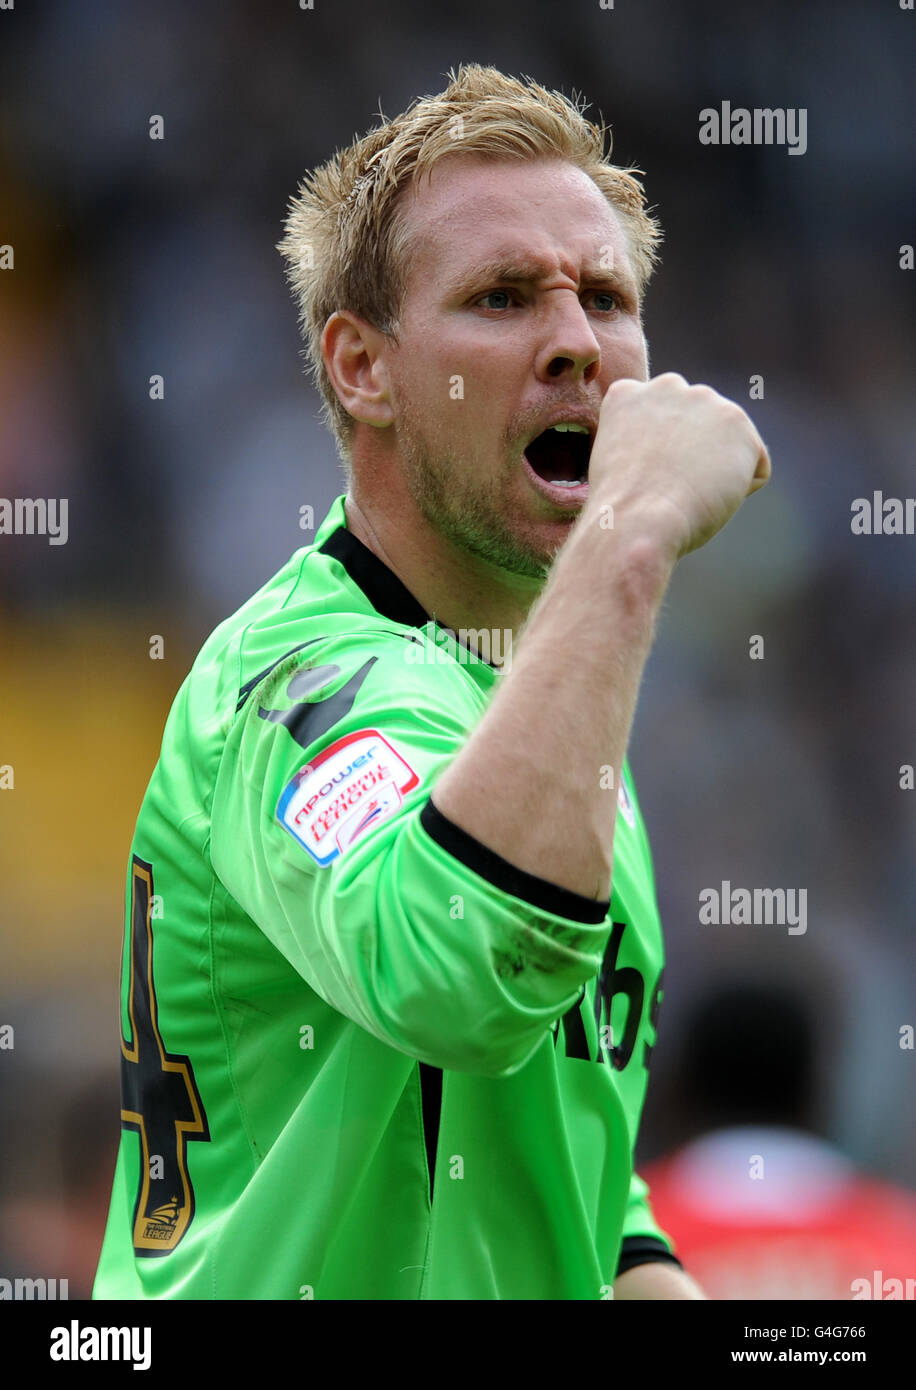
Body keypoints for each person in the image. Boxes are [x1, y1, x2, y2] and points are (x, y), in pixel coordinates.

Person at [93, 62, 769, 1300]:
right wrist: (628, 534)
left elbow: (576, 1175)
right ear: (362, 368)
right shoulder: (295, 676)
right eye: (503, 298)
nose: (576, 342)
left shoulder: (545, 715)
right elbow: (457, 967)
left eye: (606, 297)